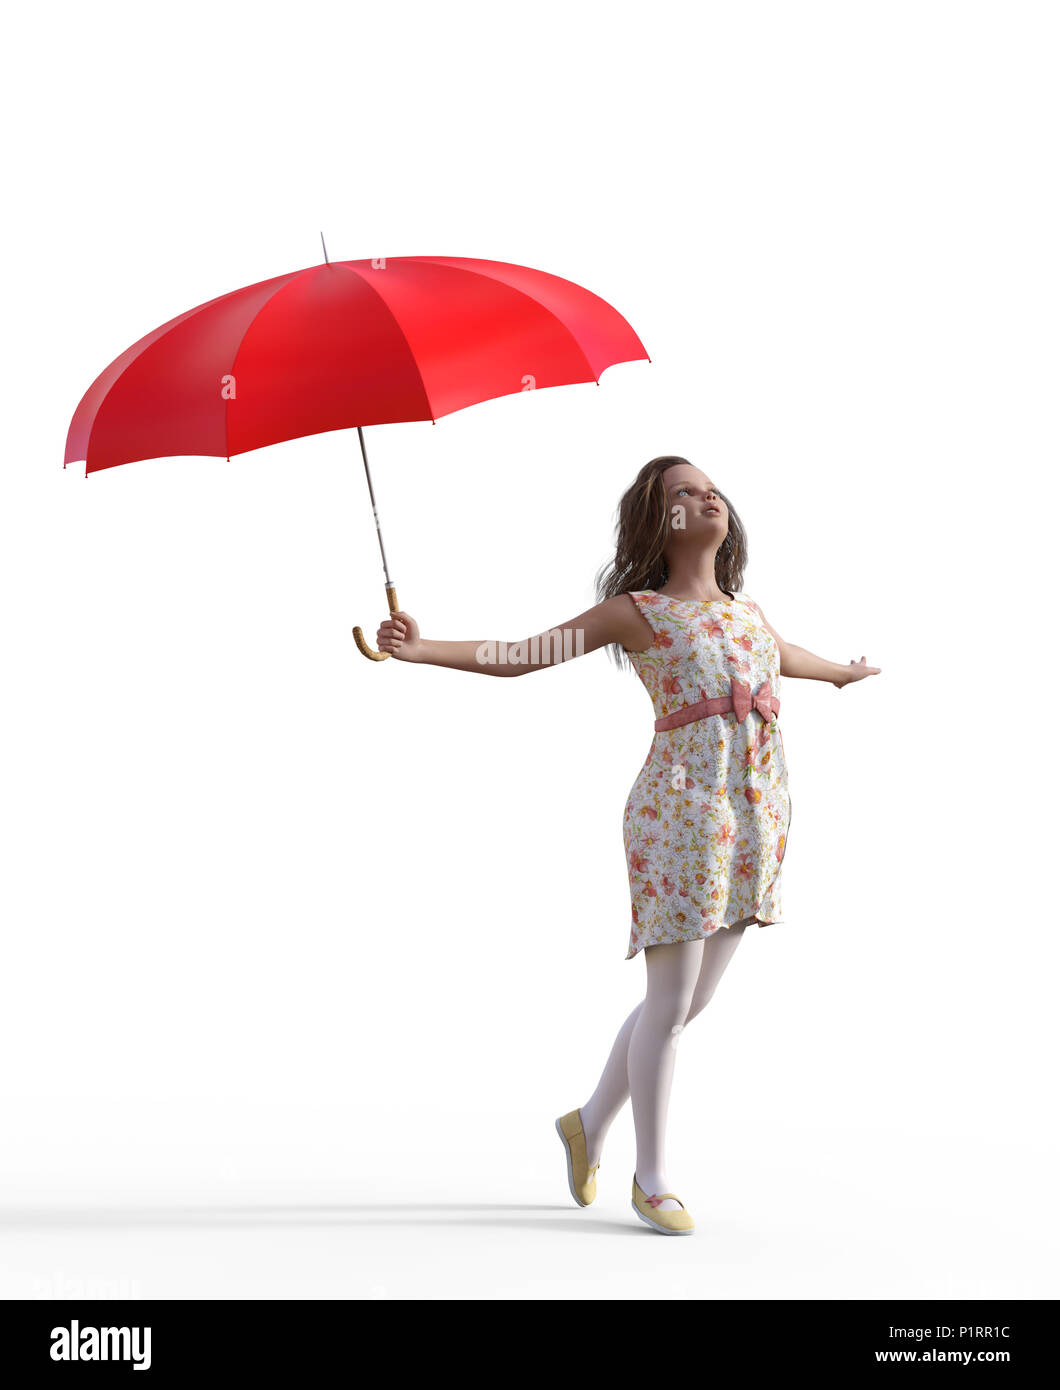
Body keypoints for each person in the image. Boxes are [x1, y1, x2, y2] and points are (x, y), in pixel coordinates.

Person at [374, 455, 880, 1235]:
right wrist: (422, 645)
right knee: (673, 1004)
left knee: (688, 1003)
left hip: (755, 813)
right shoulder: (636, 610)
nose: (705, 495)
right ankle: (652, 1178)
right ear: (660, 520)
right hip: (679, 814)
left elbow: (789, 659)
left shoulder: (750, 613)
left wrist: (841, 674)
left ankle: (585, 1124)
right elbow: (517, 656)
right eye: (684, 492)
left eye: (711, 486)